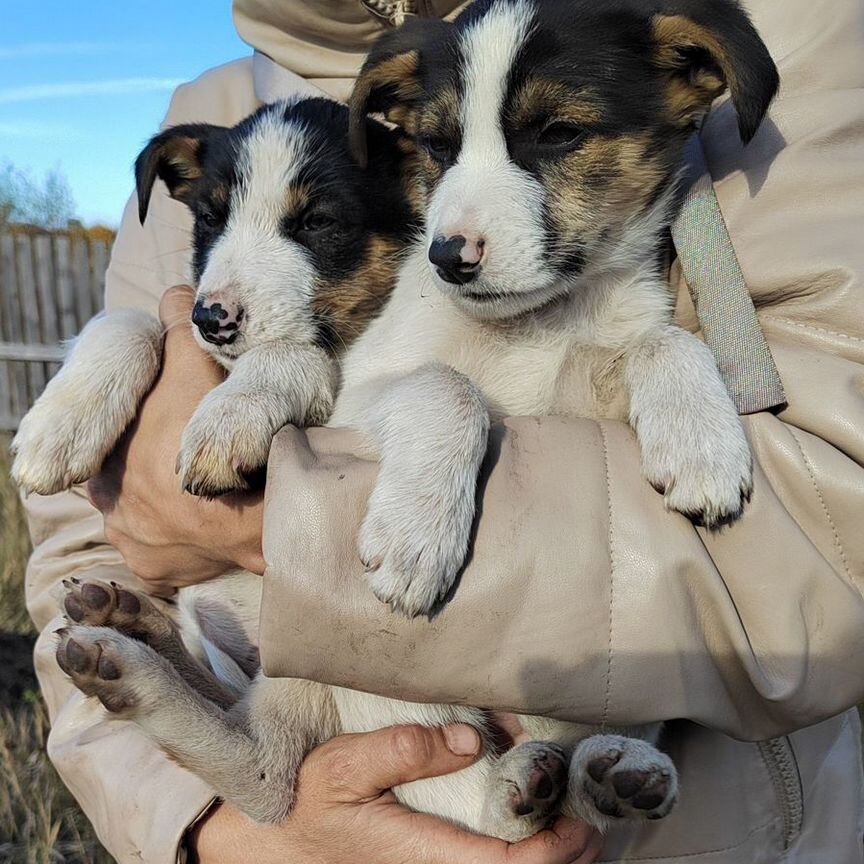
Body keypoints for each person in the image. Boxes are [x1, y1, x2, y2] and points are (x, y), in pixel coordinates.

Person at [23, 1, 864, 862]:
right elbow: (77, 548)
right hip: (300, 743)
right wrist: (205, 831)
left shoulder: (765, 30)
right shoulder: (230, 98)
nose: (453, 232)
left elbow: (828, 547)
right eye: (443, 147)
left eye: (557, 135)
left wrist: (261, 529)